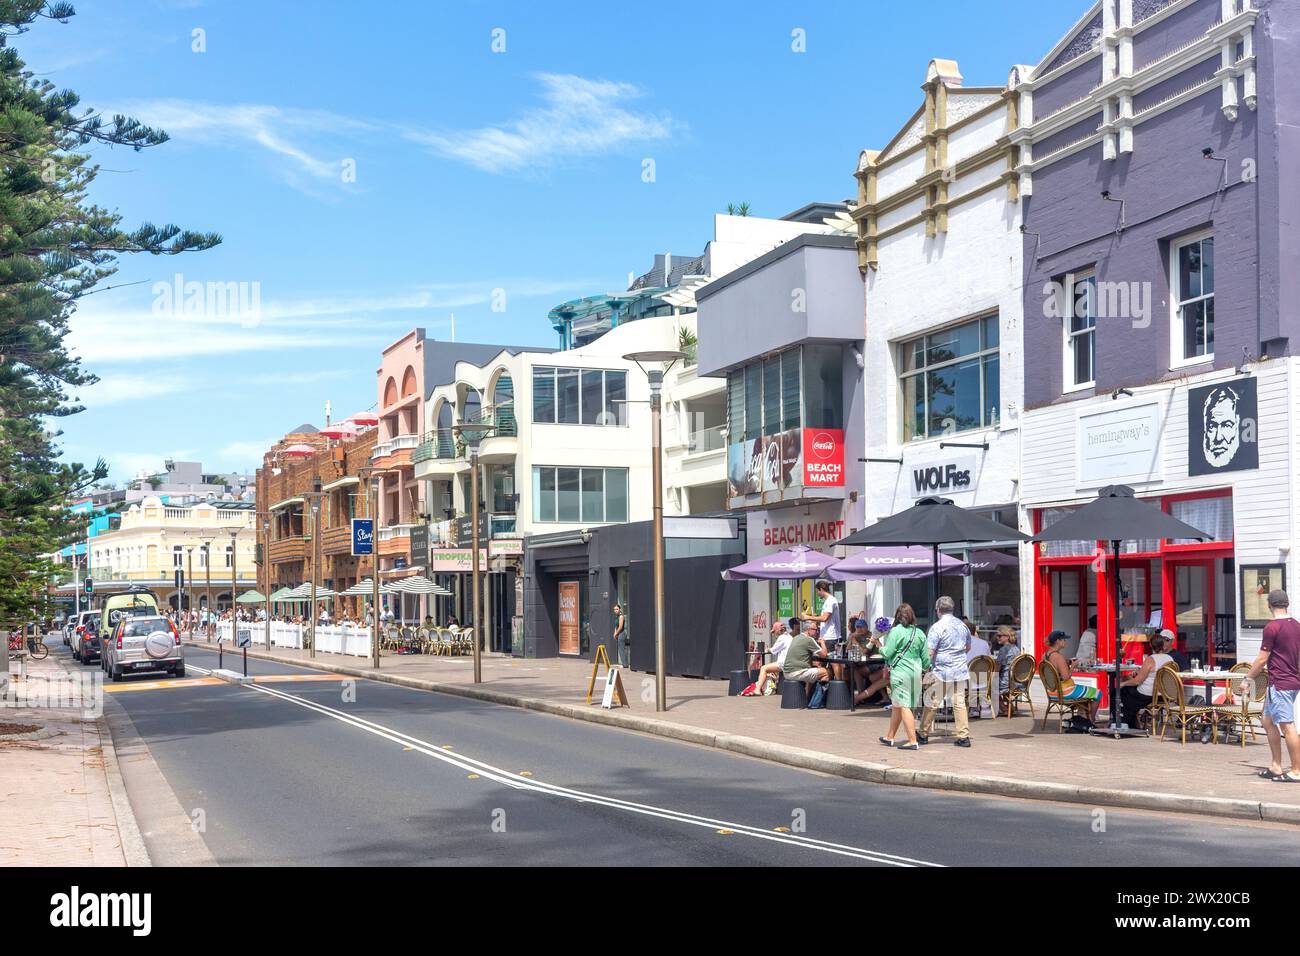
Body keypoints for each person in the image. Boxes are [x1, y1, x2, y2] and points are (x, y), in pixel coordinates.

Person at [1240, 589, 1300, 782]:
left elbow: (1262, 659)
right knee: (1267, 721)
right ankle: (1276, 766)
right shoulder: (1296, 625)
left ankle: (1296, 771)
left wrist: (1247, 679)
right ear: (1287, 604)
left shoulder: (1272, 627)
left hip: (1281, 683)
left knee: (1287, 726)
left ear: (1269, 605)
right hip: (1287, 681)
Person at [919, 596, 972, 747]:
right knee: (959, 702)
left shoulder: (936, 627)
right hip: (959, 669)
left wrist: (925, 667)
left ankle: (923, 733)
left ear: (938, 610)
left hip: (942, 669)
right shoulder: (963, 626)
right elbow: (968, 647)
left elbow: (930, 651)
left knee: (932, 701)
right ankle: (963, 736)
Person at [878, 603, 930, 750]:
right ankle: (890, 737)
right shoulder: (919, 633)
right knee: (898, 705)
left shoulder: (895, 631)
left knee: (904, 706)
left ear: (897, 617)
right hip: (916, 674)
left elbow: (888, 653)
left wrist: (879, 647)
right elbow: (926, 659)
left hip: (900, 673)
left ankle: (913, 741)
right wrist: (925, 669)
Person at [1041, 630, 1101, 724]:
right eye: (1064, 640)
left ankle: (1083, 719)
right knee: (1097, 693)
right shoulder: (1058, 657)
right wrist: (1072, 666)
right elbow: (1066, 677)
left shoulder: (1045, 655)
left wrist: (1067, 662)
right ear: (1058, 641)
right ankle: (1091, 721)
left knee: (1085, 694)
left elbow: (1055, 668)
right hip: (1065, 692)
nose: (1066, 642)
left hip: (1052, 691)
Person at [1118, 631, 1173, 728]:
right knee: (1129, 692)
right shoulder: (1170, 659)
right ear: (1162, 645)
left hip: (1148, 694)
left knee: (1121, 691)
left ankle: (1124, 722)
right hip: (1164, 695)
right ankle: (1133, 723)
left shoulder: (1150, 659)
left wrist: (1123, 683)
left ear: (1151, 645)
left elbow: (1138, 681)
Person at [744, 622, 793, 697]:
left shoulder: (782, 638)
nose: (773, 634)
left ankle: (758, 689)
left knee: (764, 668)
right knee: (769, 668)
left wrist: (767, 649)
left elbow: (773, 650)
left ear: (777, 630)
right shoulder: (790, 636)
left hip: (784, 664)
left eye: (774, 632)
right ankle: (763, 688)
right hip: (790, 662)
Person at [781, 621, 829, 697]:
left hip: (787, 672)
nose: (817, 632)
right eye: (816, 630)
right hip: (796, 672)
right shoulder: (809, 639)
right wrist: (822, 642)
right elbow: (824, 654)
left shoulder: (796, 637)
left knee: (813, 669)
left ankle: (807, 696)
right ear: (808, 629)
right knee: (826, 672)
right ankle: (816, 700)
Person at [993, 625, 1020, 702]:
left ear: (1007, 636)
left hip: (1006, 682)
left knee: (987, 686)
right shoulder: (1016, 649)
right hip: (1016, 681)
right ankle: (1009, 708)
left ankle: (1004, 709)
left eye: (999, 636)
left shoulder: (1003, 650)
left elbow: (997, 669)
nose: (997, 638)